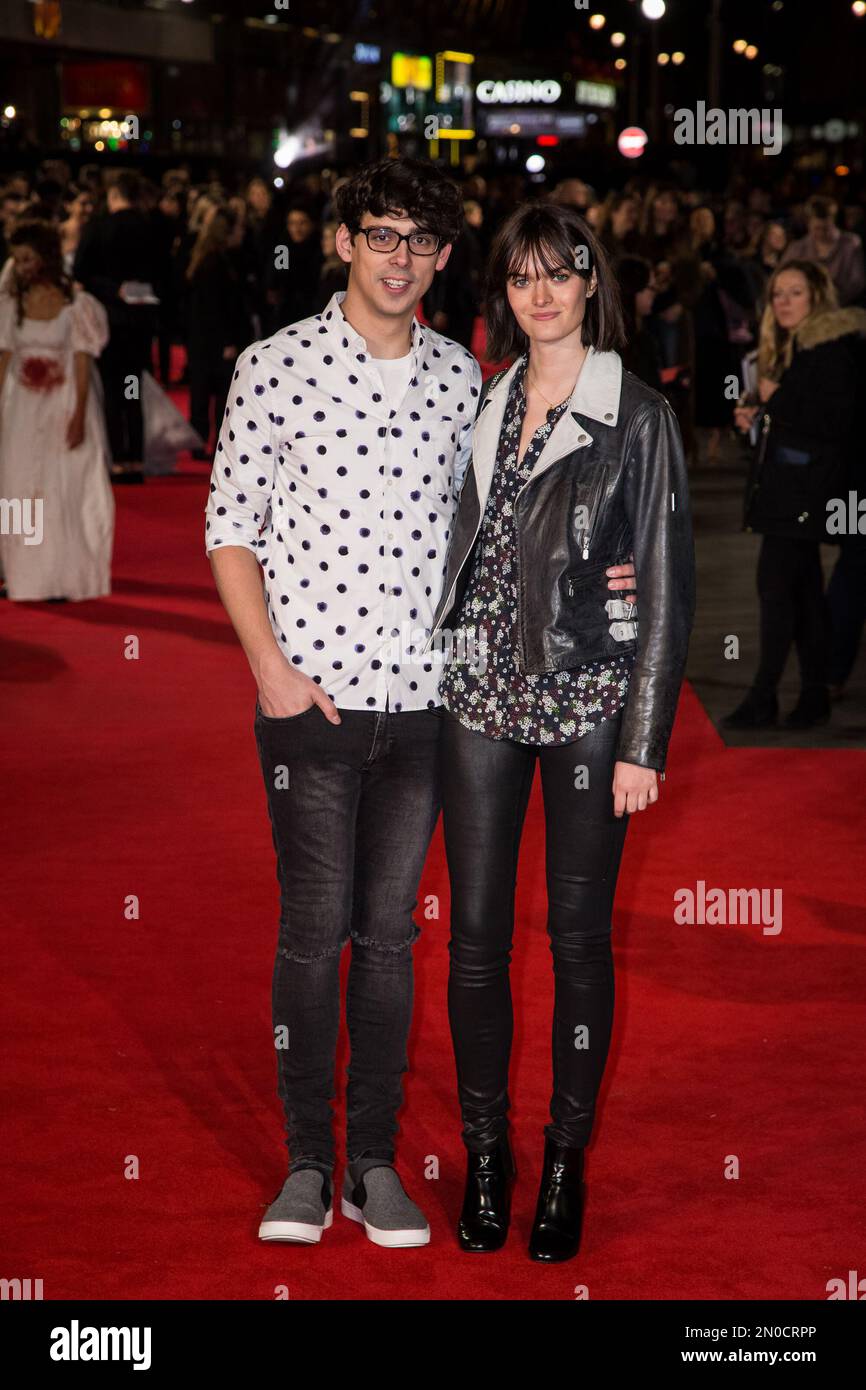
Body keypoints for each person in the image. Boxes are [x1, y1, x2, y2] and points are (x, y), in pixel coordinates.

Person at [203, 154, 641, 1251]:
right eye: (378, 233)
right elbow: (229, 527)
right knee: (313, 933)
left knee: (391, 937)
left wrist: (605, 586)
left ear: (444, 260)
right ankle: (306, 1162)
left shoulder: (465, 381)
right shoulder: (272, 365)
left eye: (419, 240)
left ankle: (372, 1164)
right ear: (342, 240)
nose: (397, 257)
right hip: (309, 700)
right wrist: (270, 672)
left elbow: (512, 525)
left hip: (430, 707)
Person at [430, 201, 695, 1261]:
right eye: (519, 276)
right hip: (477, 697)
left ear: (592, 283)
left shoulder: (635, 414)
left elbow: (666, 589)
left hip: (587, 702)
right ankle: (485, 1154)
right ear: (501, 290)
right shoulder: (483, 400)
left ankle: (564, 1161)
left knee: (579, 943)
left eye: (559, 273)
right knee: (476, 941)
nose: (538, 293)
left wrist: (643, 740)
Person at [723, 261, 866, 730]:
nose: (783, 301)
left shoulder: (830, 346)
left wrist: (774, 401)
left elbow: (836, 424)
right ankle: (812, 694)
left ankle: (766, 694)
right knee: (803, 593)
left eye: (795, 292)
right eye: (778, 292)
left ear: (817, 297)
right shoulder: (799, 344)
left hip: (807, 491)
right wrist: (759, 414)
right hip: (791, 488)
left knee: (776, 588)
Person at [0, 220, 114, 601]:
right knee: (18, 490)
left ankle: (58, 576)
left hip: (61, 402)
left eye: (28, 258)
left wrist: (80, 412)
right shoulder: (10, 304)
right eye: (17, 260)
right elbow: (3, 358)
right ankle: (20, 575)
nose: (22, 267)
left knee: (58, 488)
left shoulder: (76, 305)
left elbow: (82, 359)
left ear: (46, 257)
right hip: (21, 407)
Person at [73, 171, 158, 483]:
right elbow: (167, 276)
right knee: (132, 388)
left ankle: (120, 459)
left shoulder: (100, 227)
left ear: (113, 195)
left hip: (109, 321)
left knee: (112, 390)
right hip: (140, 323)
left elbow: (81, 272)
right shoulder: (152, 228)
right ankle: (136, 458)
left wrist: (112, 290)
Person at [185, 207, 250, 456]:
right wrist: (228, 341)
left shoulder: (207, 257)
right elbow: (217, 306)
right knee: (220, 392)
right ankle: (211, 442)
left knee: (203, 390)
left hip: (203, 338)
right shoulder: (215, 262)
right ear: (228, 232)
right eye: (239, 229)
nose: (242, 233)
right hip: (215, 339)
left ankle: (201, 441)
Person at [782, 196, 865, 308]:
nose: (821, 233)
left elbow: (857, 282)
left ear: (833, 223)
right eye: (816, 229)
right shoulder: (797, 248)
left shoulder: (850, 244)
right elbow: (784, 277)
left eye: (826, 229)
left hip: (843, 308)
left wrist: (832, 302)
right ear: (808, 225)